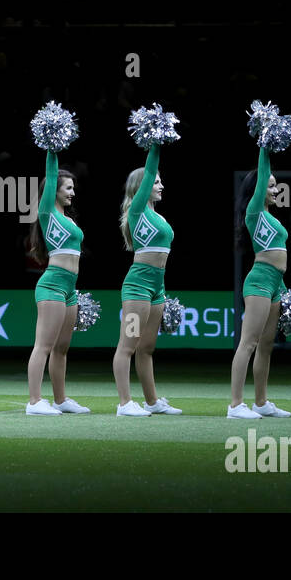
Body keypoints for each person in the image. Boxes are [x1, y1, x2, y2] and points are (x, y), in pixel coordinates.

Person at [112, 142, 182, 417]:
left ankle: (152, 402)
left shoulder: (157, 214)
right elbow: (151, 167)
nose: (161, 185)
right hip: (137, 287)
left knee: (147, 347)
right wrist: (156, 143)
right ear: (143, 186)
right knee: (128, 345)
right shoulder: (138, 211)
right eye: (156, 181)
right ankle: (124, 403)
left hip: (157, 287)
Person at [23, 148, 90, 416]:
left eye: (73, 188)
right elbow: (51, 176)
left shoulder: (66, 218)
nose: (72, 192)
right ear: (54, 191)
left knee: (62, 348)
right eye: (67, 188)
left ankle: (60, 400)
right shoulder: (48, 213)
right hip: (51, 285)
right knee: (44, 345)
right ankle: (35, 401)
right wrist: (52, 148)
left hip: (70, 289)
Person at [228, 144, 291, 419]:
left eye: (277, 186)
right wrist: (266, 144)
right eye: (270, 185)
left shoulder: (270, 215)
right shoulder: (255, 213)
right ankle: (235, 405)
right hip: (259, 282)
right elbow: (263, 168)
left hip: (276, 282)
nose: (275, 190)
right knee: (249, 342)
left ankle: (261, 402)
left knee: (266, 345)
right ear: (256, 190)